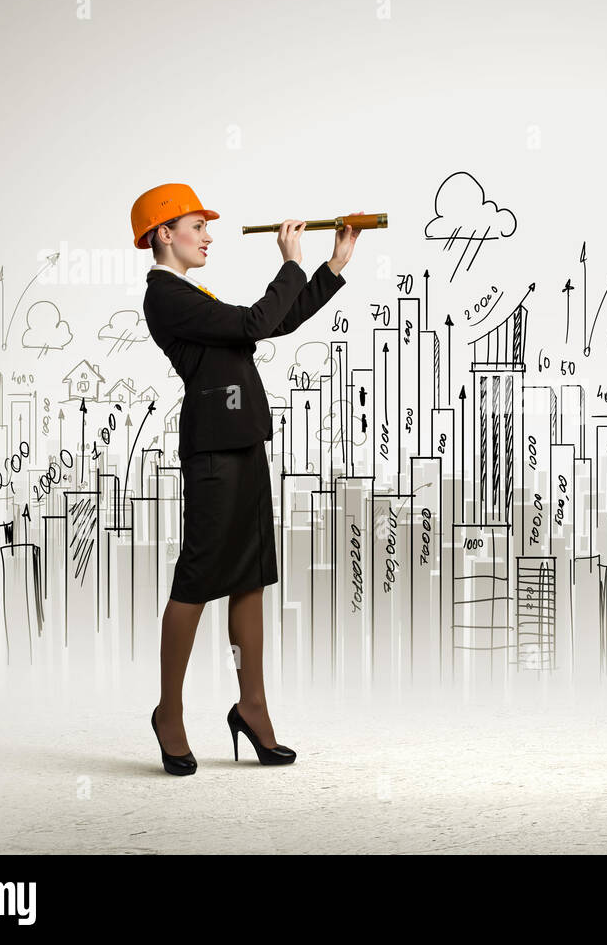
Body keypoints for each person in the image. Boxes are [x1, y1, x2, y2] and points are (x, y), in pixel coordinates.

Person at [132, 182, 359, 775]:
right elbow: (257, 321)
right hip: (213, 450)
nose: (208, 237)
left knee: (250, 576)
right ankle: (169, 711)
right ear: (164, 234)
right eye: (197, 226)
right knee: (196, 579)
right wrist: (291, 261)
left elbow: (272, 323)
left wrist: (332, 266)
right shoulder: (166, 295)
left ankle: (251, 706)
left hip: (243, 441)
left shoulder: (191, 293)